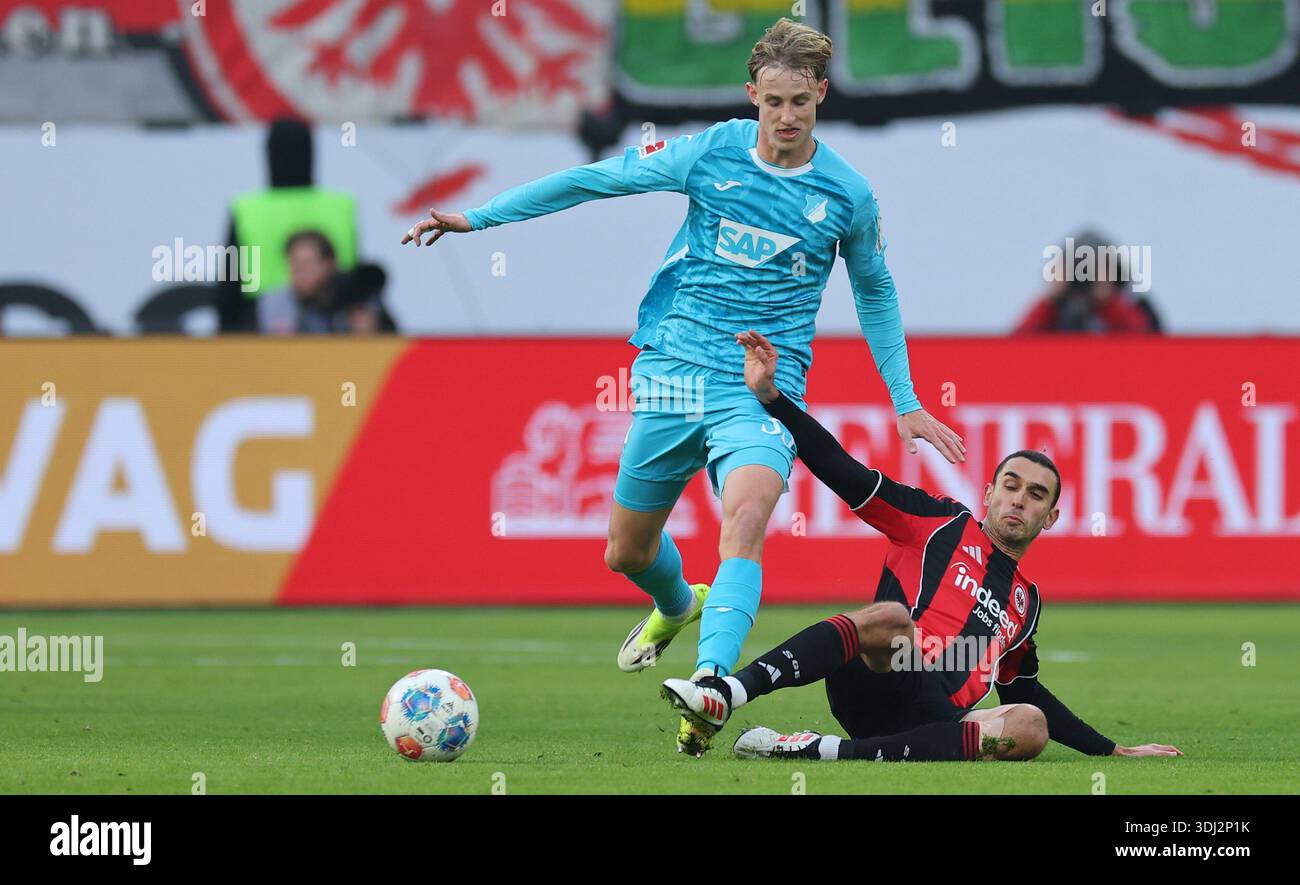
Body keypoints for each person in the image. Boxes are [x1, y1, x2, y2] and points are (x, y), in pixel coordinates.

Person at [401, 19, 965, 756]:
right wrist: (479, 217)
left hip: (760, 388)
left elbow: (875, 292)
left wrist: (907, 399)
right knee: (625, 552)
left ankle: (709, 684)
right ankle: (678, 602)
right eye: (773, 102)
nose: (787, 117)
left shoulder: (847, 195)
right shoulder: (711, 152)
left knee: (746, 519)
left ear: (821, 93)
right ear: (751, 97)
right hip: (670, 373)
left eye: (801, 100)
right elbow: (596, 179)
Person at [661, 330, 1183, 762]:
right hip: (880, 676)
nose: (1020, 500)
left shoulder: (1027, 603)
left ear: (1052, 517)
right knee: (889, 617)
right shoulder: (940, 522)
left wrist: (1114, 751)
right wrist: (775, 400)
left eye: (1036, 495)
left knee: (1029, 727)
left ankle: (821, 751)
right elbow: (846, 473)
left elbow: (1021, 690)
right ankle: (725, 694)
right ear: (988, 493)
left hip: (938, 723)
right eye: (1011, 486)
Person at [217, 118, 359, 332]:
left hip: (261, 329)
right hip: (332, 330)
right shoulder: (341, 206)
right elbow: (357, 283)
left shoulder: (246, 209)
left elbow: (228, 289)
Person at [1014, 231, 1163, 334]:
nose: (1085, 276)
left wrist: (1109, 303)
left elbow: (1150, 348)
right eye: (1076, 269)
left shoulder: (1137, 307)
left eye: (1095, 270)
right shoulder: (1054, 314)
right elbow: (1015, 350)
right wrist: (1051, 300)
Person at [258, 231, 395, 335]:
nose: (298, 273)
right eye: (293, 266)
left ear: (329, 264)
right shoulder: (272, 305)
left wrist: (371, 333)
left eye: (306, 264)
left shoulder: (360, 300)